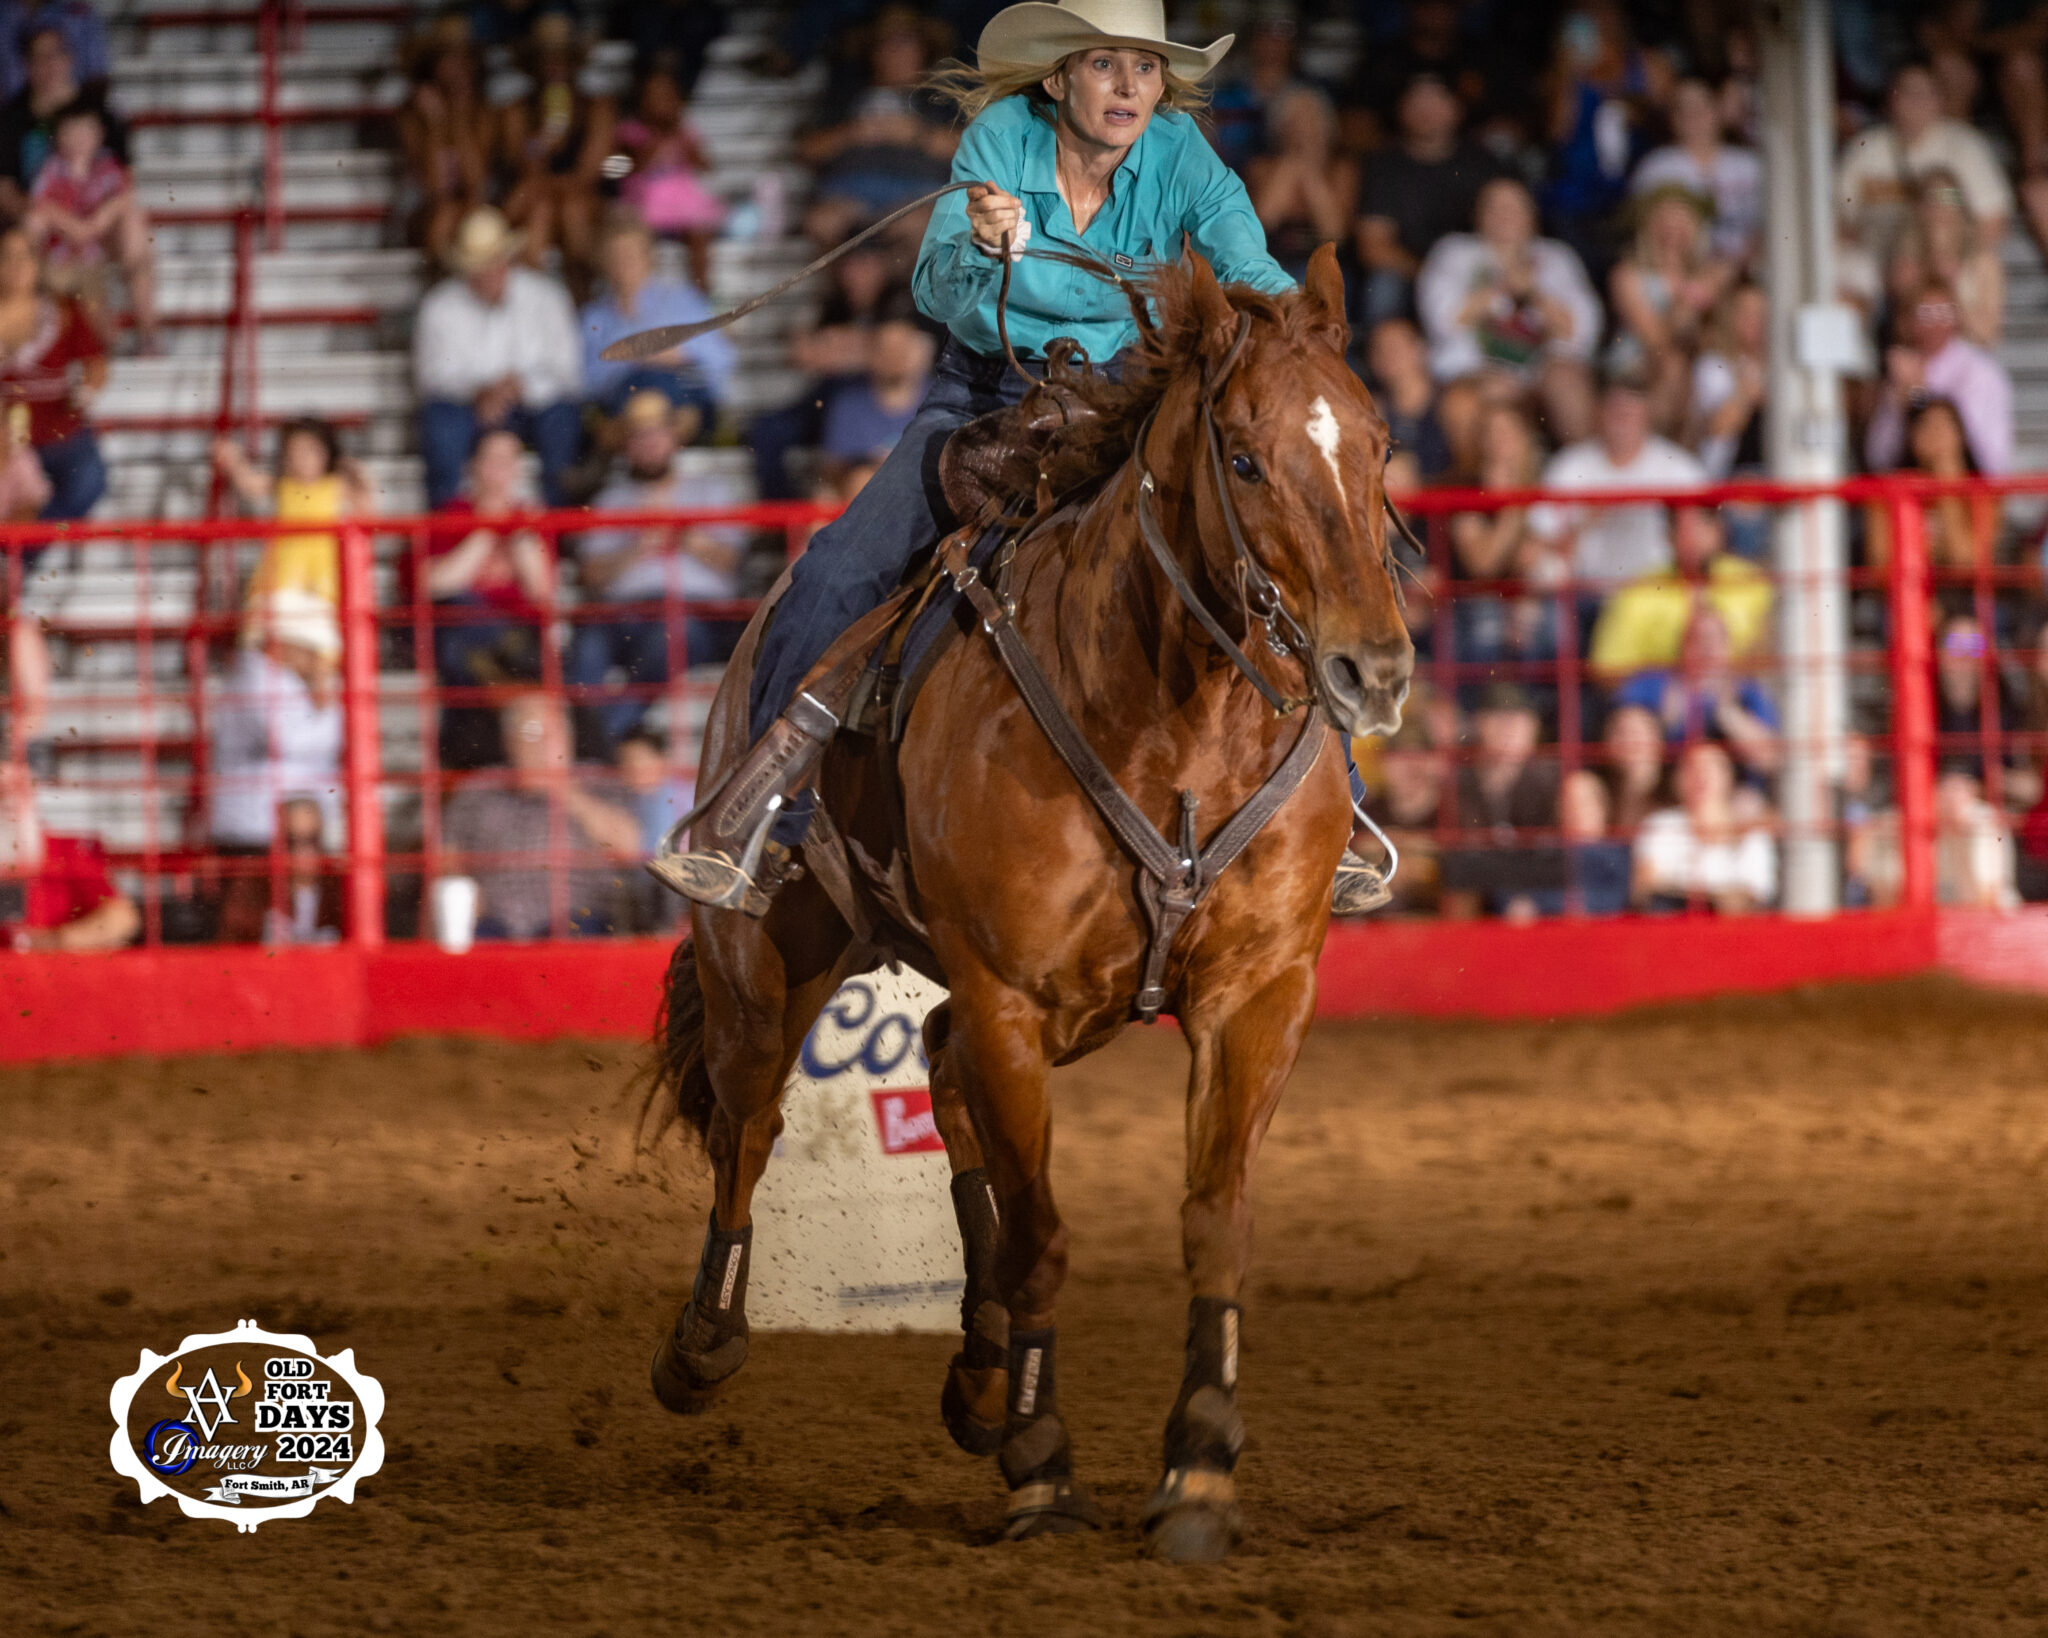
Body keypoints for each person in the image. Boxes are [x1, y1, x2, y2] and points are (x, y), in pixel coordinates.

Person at [658, 0, 1386, 919]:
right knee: (838, 573)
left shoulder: (1184, 156)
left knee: (1257, 556)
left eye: (1147, 69)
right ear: (1058, 78)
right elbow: (937, 286)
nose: (1129, 88)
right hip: (989, 393)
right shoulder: (1000, 137)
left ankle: (1344, 807)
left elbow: (1253, 269)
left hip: (1130, 395)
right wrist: (984, 250)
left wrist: (1304, 342)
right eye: (1106, 66)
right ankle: (759, 809)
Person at [568, 389, 750, 753]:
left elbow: (732, 560)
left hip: (696, 611)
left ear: (674, 439)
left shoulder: (711, 492)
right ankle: (618, 730)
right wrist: (640, 544)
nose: (650, 444)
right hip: (624, 615)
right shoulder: (608, 502)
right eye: (639, 436)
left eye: (657, 434)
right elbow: (590, 576)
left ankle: (605, 737)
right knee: (585, 649)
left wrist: (681, 534)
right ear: (627, 446)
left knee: (672, 634)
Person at [414, 206, 583, 508]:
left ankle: (560, 528)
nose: (485, 272)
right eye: (476, 265)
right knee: (441, 423)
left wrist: (518, 387)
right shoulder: (440, 305)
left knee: (563, 421)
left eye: (491, 262)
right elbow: (432, 375)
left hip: (534, 406)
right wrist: (479, 391)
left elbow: (566, 370)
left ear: (507, 259)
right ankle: (446, 528)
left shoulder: (547, 297)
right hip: (470, 407)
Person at [441, 691, 642, 939]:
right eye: (531, 733)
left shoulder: (600, 782)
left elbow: (631, 848)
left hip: (579, 924)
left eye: (551, 733)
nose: (541, 744)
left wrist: (562, 787)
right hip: (495, 927)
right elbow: (446, 863)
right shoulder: (479, 789)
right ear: (509, 740)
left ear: (569, 737)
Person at [1415, 176, 1601, 444]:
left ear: (1532, 216)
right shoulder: (1454, 252)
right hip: (1473, 373)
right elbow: (1441, 320)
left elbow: (1583, 331)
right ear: (1478, 215)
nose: (1504, 215)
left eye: (1514, 207)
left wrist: (1533, 293)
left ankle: (1587, 477)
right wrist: (1500, 288)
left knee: (1567, 382)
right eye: (1494, 207)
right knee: (1467, 399)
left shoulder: (1556, 257)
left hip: (1542, 376)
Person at [207, 590, 346, 941]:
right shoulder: (257, 677)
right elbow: (291, 741)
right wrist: (325, 697)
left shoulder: (274, 678)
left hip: (278, 824)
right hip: (256, 830)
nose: (317, 657)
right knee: (253, 918)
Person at [422, 426, 553, 769]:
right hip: (485, 647)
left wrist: (517, 529)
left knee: (459, 644)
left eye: (509, 460)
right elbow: (435, 584)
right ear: (473, 466)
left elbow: (541, 589)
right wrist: (487, 528)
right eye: (492, 459)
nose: (501, 469)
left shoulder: (530, 519)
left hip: (511, 642)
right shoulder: (450, 515)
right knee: (460, 612)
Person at [1352, 71, 1510, 331]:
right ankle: (1381, 359)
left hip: (1473, 269)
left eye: (1437, 100)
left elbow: (1512, 228)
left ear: (1457, 109)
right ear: (1400, 109)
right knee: (1383, 284)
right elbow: (1373, 246)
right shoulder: (1383, 165)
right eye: (1417, 101)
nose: (1426, 110)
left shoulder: (1483, 163)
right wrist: (1433, 274)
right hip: (1409, 269)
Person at [1528, 368, 1707, 591]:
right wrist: (1586, 520)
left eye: (1630, 411)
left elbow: (1706, 537)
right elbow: (1535, 542)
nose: (1622, 419)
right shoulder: (1570, 466)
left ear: (1648, 413)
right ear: (1599, 411)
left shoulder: (1678, 467)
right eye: (1615, 410)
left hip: (1656, 591)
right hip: (1586, 591)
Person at [796, 4, 958, 248]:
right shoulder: (846, 93)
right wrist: (853, 133)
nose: (895, 52)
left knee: (927, 223)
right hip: (850, 193)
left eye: (905, 43)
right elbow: (806, 150)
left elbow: (969, 149)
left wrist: (915, 135)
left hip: (919, 194)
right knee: (822, 221)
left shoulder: (943, 96)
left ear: (923, 49)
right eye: (887, 44)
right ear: (873, 51)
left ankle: (906, 281)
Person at [1839, 60, 2012, 268]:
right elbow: (1838, 212)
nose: (1916, 102)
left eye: (1925, 93)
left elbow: (1992, 220)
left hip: (1942, 265)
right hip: (1874, 261)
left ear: (1940, 100)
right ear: (1890, 98)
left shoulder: (1964, 144)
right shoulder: (1865, 147)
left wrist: (1935, 197)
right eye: (1907, 92)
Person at [579, 209, 735, 439]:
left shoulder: (680, 300)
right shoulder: (596, 317)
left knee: (661, 397)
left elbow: (722, 358)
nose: (625, 264)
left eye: (632, 255)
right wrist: (634, 358)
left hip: (680, 398)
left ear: (648, 257)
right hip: (627, 403)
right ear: (605, 263)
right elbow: (588, 382)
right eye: (617, 256)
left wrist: (677, 353)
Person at [212, 417, 371, 629]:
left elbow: (368, 512)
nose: (303, 458)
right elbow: (250, 485)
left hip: (322, 580)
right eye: (296, 451)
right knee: (270, 630)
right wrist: (234, 460)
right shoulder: (282, 485)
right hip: (282, 576)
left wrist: (360, 476)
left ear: (326, 453)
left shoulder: (336, 486)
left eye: (310, 450)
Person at [496, 11, 615, 293]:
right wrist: (545, 139)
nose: (554, 66)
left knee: (569, 208)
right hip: (540, 204)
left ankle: (581, 297)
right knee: (543, 211)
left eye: (562, 58)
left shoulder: (596, 108)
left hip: (581, 206)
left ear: (574, 62)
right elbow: (525, 168)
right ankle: (537, 305)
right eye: (547, 58)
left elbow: (586, 176)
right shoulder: (518, 110)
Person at [23, 97, 154, 349]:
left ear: (99, 135)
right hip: (60, 258)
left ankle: (142, 338)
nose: (79, 139)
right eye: (71, 131)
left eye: (85, 131)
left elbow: (124, 199)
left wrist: (96, 223)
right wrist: (75, 227)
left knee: (103, 327)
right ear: (59, 136)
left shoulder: (107, 168)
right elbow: (38, 206)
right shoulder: (51, 169)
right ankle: (32, 294)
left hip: (94, 258)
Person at [1589, 505, 1773, 678]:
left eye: (1702, 526)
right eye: (1684, 529)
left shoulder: (1752, 582)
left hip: (1733, 694)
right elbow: (1608, 670)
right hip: (1662, 701)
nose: (1693, 539)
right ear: (1668, 535)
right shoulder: (1637, 590)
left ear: (1720, 529)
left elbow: (1770, 656)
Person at [1606, 186, 1733, 434]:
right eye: (1664, 219)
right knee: (1674, 365)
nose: (1672, 229)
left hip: (1698, 362)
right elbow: (1657, 340)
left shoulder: (1713, 270)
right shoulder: (1627, 275)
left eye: (1681, 219)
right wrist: (1691, 298)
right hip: (1640, 363)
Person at [0, 222, 104, 519]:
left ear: (37, 263)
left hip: (59, 432)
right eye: (8, 256)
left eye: (25, 256)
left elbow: (96, 366)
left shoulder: (63, 310)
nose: (17, 265)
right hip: (3, 437)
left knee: (89, 481)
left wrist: (85, 391)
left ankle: (21, 552)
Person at [1610, 602, 1781, 780]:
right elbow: (1618, 728)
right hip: (1663, 789)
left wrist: (1728, 714)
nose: (1708, 648)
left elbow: (1769, 758)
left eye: (1716, 639)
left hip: (1728, 796)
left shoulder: (1746, 691)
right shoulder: (1653, 683)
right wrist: (1659, 722)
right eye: (1699, 638)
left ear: (1728, 647)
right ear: (1683, 645)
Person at [1439, 680, 1562, 918]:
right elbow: (1460, 860)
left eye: (1518, 720)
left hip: (1541, 903)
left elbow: (1558, 861)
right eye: (1499, 719)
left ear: (1533, 728)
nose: (1509, 730)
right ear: (1479, 725)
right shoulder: (1461, 783)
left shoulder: (1553, 782)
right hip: (1482, 901)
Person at [1866, 280, 2013, 478]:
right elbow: (1879, 458)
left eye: (1942, 311)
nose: (1934, 321)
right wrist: (1899, 399)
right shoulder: (1902, 370)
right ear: (1905, 321)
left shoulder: (1979, 372)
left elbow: (1977, 452)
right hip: (1912, 489)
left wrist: (1918, 394)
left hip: (1966, 490)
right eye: (1925, 312)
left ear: (1957, 316)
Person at [0, 758, 136, 951]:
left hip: (54, 971)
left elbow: (120, 918)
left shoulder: (70, 851)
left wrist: (55, 941)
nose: (8, 799)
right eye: (1, 792)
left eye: (18, 789)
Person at [1628, 76, 1762, 268]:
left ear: (1718, 109)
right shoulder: (1656, 167)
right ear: (1673, 117)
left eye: (1702, 107)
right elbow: (1644, 237)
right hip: (1681, 272)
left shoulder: (1751, 165)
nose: (1694, 117)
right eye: (1684, 109)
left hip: (1746, 270)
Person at [1863, 397, 1999, 584]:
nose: (1935, 433)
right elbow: (1879, 565)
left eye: (1943, 425)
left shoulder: (1981, 492)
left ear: (1960, 435)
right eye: (1924, 425)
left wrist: (1946, 484)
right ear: (1911, 437)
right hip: (1905, 593)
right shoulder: (1891, 489)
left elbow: (1964, 563)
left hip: (1963, 597)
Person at [613, 62, 724, 290]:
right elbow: (622, 167)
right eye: (653, 96)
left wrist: (685, 147)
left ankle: (702, 297)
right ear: (640, 100)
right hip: (644, 207)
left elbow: (705, 165)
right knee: (639, 245)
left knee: (700, 239)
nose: (660, 103)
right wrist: (651, 146)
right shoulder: (630, 131)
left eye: (666, 96)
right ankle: (643, 294)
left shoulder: (685, 131)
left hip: (683, 208)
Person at [1631, 739, 1776, 912]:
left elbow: (1751, 898)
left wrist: (1678, 891)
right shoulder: (1659, 824)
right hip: (1671, 929)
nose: (1701, 776)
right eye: (1692, 768)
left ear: (1727, 776)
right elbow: (1646, 890)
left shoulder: (1752, 831)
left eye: (1711, 768)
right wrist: (1716, 897)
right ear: (1678, 779)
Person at [0, 23, 122, 223]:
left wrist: (94, 224)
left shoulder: (101, 110)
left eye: (55, 55)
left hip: (98, 218)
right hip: (39, 217)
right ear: (26, 65)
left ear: (70, 58)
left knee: (132, 228)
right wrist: (58, 220)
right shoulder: (10, 118)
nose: (49, 64)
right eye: (39, 57)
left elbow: (125, 183)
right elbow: (5, 191)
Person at [397, 27, 492, 269]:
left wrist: (459, 120)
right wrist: (436, 124)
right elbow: (436, 187)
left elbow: (475, 182)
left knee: (467, 212)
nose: (458, 67)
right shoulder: (412, 116)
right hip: (427, 211)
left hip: (473, 206)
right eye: (449, 58)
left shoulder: (484, 112)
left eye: (464, 57)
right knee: (445, 216)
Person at [817, 294, 936, 486]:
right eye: (886, 347)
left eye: (901, 346)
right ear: (871, 353)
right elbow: (833, 472)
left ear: (920, 350)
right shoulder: (849, 405)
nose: (894, 356)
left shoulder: (945, 400)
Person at [1246, 85, 1356, 284]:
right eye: (1294, 120)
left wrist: (1311, 176)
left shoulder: (1341, 170)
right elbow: (1261, 224)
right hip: (1272, 262)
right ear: (1280, 126)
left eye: (1312, 119)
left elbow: (1334, 233)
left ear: (1326, 125)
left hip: (1326, 265)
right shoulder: (1261, 167)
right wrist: (1290, 164)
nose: (1303, 127)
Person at [1886, 167, 2004, 347]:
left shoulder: (1983, 262)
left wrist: (1949, 298)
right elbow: (1903, 330)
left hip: (1968, 357)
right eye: (1931, 198)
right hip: (1922, 360)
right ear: (1919, 209)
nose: (1940, 207)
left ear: (1961, 207)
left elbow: (1988, 333)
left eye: (1949, 197)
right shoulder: (1906, 265)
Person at [1362, 316, 1450, 481]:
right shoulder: (1370, 410)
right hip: (1395, 501)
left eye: (1395, 347)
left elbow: (1469, 467)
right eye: (1379, 348)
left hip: (1445, 498)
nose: (1388, 355)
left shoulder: (1454, 404)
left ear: (1420, 349)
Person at [1600, 700, 1667, 832]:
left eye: (1637, 732)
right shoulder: (1599, 798)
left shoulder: (1677, 795)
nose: (1629, 741)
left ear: (1658, 739)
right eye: (1621, 732)